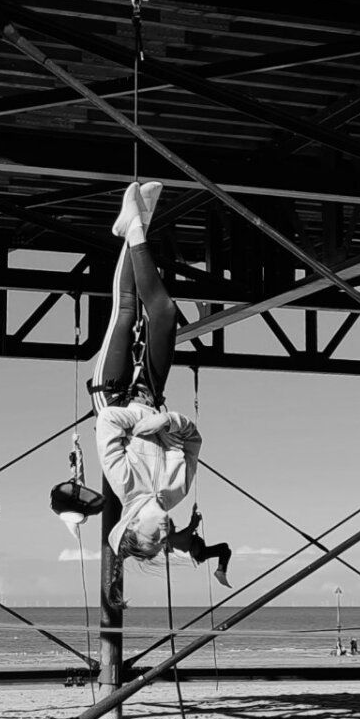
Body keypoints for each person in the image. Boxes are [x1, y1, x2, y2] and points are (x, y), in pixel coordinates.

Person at [91, 181, 203, 563]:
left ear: (132, 524)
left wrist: (141, 421)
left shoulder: (123, 483)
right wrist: (168, 421)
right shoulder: (177, 491)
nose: (164, 536)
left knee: (125, 310)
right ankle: (136, 224)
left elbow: (107, 422)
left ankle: (137, 225)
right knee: (166, 314)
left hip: (113, 394)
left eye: (153, 538)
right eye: (163, 542)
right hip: (153, 398)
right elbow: (194, 441)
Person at [162, 505, 231, 587]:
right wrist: (194, 514)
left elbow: (190, 528)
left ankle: (220, 571)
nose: (174, 527)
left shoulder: (172, 538)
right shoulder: (176, 538)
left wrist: (194, 513)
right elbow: (191, 527)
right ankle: (220, 571)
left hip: (199, 552)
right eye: (172, 526)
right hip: (200, 553)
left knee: (225, 548)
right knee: (224, 549)